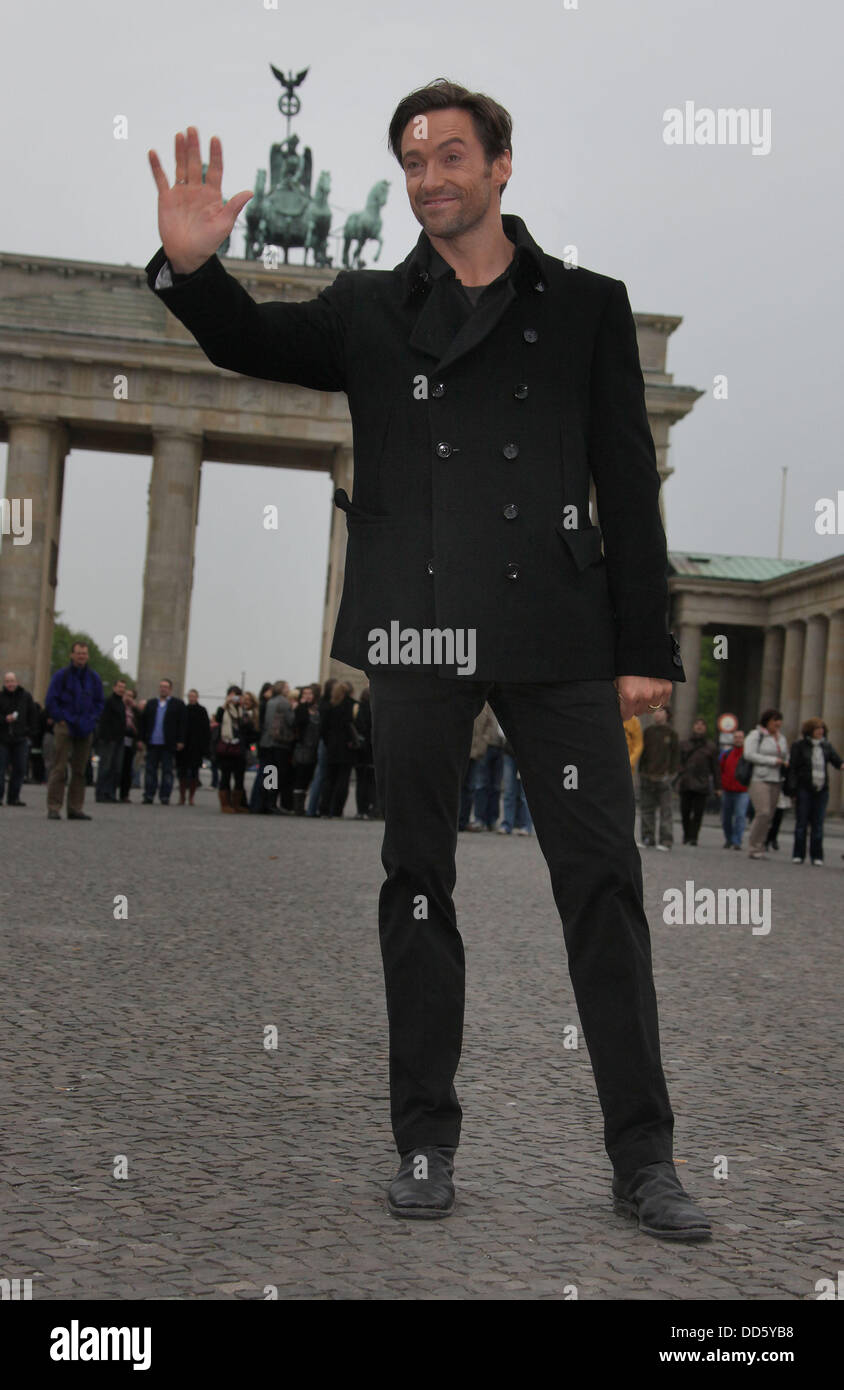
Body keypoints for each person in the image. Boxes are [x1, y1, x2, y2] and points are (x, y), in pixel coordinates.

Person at [146, 82, 708, 1242]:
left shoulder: (590, 306)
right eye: (412, 160)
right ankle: (423, 1139)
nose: (430, 176)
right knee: (415, 882)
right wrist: (195, 270)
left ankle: (644, 1158)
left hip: (557, 630)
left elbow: (624, 475)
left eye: (452, 154)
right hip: (418, 626)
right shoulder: (366, 306)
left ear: (502, 166)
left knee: (602, 888)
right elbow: (252, 339)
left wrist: (644, 646)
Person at [44, 641, 105, 821]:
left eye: (84, 654)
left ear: (88, 656)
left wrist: (92, 719)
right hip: (65, 725)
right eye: (78, 653)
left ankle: (75, 808)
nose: (81, 657)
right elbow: (51, 699)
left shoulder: (94, 678)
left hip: (85, 726)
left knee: (79, 770)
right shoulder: (61, 676)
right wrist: (60, 719)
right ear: (72, 655)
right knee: (59, 768)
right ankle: (54, 807)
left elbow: (100, 702)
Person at [786, 717, 842, 865]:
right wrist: (792, 789)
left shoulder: (826, 746)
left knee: (818, 823)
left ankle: (817, 856)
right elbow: (792, 768)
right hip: (804, 787)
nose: (820, 731)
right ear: (810, 731)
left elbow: (837, 762)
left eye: (822, 729)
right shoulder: (799, 746)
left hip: (821, 788)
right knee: (802, 823)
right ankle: (798, 854)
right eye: (817, 729)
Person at [744, 708, 789, 860]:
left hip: (776, 779)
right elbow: (748, 754)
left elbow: (785, 754)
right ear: (767, 721)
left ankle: (760, 846)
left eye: (779, 720)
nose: (778, 723)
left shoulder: (781, 738)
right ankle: (753, 846)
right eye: (775, 720)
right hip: (759, 778)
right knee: (762, 812)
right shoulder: (756, 735)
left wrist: (786, 762)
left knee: (769, 815)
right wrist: (771, 761)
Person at [138, 678, 186, 805]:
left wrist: (181, 740)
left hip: (168, 744)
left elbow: (182, 724)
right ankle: (148, 795)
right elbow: (143, 722)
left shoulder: (178, 704)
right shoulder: (151, 703)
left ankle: (165, 796)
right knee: (150, 770)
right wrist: (141, 739)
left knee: (167, 771)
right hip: (152, 742)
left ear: (170, 689)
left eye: (165, 687)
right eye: (161, 686)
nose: (163, 689)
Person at [637, 705, 679, 850]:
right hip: (647, 775)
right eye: (655, 711)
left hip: (664, 777)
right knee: (647, 809)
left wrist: (671, 774)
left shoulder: (672, 733)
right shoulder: (648, 732)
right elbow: (642, 753)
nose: (657, 714)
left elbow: (675, 756)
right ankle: (648, 837)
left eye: (660, 711)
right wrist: (641, 772)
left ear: (667, 715)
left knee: (666, 810)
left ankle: (666, 840)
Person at [677, 717, 720, 846]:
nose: (699, 726)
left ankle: (694, 836)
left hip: (702, 783)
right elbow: (678, 762)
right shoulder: (684, 744)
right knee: (685, 811)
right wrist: (681, 772)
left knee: (698, 813)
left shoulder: (711, 747)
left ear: (705, 728)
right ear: (693, 727)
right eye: (697, 724)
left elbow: (716, 768)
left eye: (702, 724)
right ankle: (686, 834)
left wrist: (718, 787)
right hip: (686, 782)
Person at [319, 681, 358, 818]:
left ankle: (324, 809)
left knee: (329, 779)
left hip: (332, 746)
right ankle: (336, 810)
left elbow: (323, 728)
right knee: (343, 779)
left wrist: (328, 741)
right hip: (347, 746)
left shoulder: (330, 706)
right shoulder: (352, 705)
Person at [213, 685, 253, 812]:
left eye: (237, 695)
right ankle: (225, 804)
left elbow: (246, 726)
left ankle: (236, 804)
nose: (235, 698)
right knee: (225, 776)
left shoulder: (243, 711)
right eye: (232, 695)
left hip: (239, 748)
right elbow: (218, 719)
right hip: (226, 746)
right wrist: (226, 703)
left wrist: (242, 707)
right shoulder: (223, 710)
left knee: (239, 777)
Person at [0, 671, 36, 807]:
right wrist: (5, 719)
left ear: (17, 682)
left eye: (12, 681)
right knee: (1, 769)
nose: (10, 684)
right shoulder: (1, 697)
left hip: (20, 738)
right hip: (2, 739)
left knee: (20, 768)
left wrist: (30, 733)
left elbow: (32, 715)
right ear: (4, 683)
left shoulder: (25, 697)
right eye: (7, 681)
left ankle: (14, 797)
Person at [259, 681, 295, 814]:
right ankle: (272, 803)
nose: (289, 689)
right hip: (280, 743)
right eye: (287, 687)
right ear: (282, 689)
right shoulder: (285, 703)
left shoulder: (270, 702)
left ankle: (265, 802)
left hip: (267, 742)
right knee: (280, 775)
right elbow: (291, 721)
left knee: (269, 774)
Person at [94, 677, 127, 803]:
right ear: (114, 688)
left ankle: (111, 793)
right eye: (119, 687)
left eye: (123, 688)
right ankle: (101, 793)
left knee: (116, 768)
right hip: (109, 740)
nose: (121, 689)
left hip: (119, 740)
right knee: (105, 767)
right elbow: (103, 721)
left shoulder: (121, 704)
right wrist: (104, 738)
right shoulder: (108, 701)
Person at [291, 683, 321, 814]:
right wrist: (302, 706)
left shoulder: (317, 709)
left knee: (309, 776)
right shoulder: (301, 709)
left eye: (310, 693)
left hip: (314, 746)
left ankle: (303, 805)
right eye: (304, 694)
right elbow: (298, 723)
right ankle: (297, 806)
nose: (307, 696)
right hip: (303, 746)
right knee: (300, 776)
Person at [718, 728, 750, 850]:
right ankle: (729, 838)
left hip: (742, 790)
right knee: (726, 817)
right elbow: (720, 771)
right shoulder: (726, 754)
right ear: (733, 739)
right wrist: (719, 787)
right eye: (736, 737)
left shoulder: (747, 755)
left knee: (740, 815)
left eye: (740, 737)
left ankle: (737, 841)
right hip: (727, 789)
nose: (738, 740)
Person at [177, 689, 211, 805]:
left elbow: (206, 730)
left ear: (197, 697)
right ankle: (182, 797)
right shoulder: (183, 710)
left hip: (196, 747)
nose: (192, 698)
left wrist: (205, 748)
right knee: (182, 772)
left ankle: (191, 797)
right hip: (183, 746)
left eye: (194, 696)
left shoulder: (202, 711)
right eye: (190, 696)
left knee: (194, 772)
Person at [352, 686, 376, 819]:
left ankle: (361, 809)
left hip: (360, 750)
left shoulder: (358, 708)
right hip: (371, 749)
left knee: (361, 782)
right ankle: (370, 809)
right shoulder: (373, 710)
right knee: (371, 782)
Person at [119, 688, 141, 803]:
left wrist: (136, 708)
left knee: (127, 769)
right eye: (127, 695)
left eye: (131, 696)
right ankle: (109, 792)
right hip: (118, 740)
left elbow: (141, 721)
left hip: (130, 742)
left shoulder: (135, 711)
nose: (128, 698)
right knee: (116, 767)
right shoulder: (119, 706)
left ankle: (124, 795)